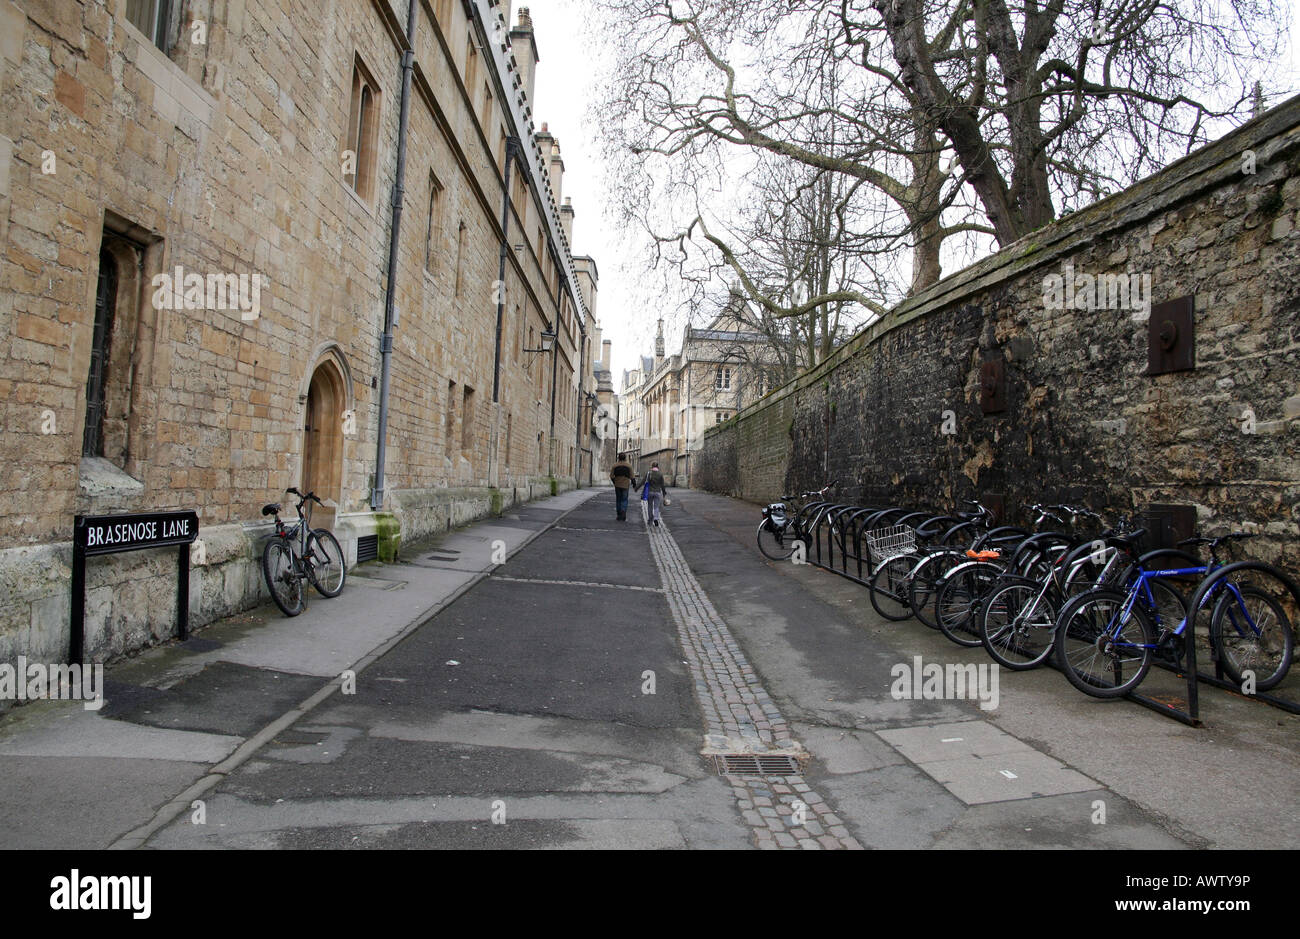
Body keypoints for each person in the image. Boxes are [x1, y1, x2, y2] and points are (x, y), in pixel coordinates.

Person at [609, 453, 636, 521]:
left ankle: (619, 514)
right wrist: (634, 484)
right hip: (625, 485)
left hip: (617, 485)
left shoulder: (615, 465)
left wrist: (615, 482)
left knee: (618, 499)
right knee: (624, 499)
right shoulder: (629, 466)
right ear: (625, 458)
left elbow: (611, 476)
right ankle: (623, 513)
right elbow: (632, 476)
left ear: (618, 458)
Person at [643, 461, 666, 528]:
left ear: (652, 466)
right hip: (657, 492)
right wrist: (664, 492)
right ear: (657, 466)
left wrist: (639, 489)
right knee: (656, 506)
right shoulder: (660, 474)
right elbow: (662, 485)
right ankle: (656, 518)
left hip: (650, 492)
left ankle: (650, 520)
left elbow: (646, 482)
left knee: (650, 506)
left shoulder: (649, 473)